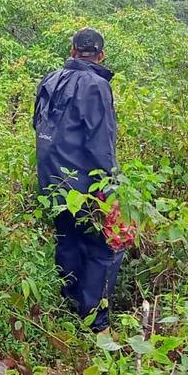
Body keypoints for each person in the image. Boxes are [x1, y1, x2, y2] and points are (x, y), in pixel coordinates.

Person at [33, 27, 130, 332]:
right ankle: (94, 322)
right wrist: (111, 190)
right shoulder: (97, 86)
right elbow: (101, 144)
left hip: (52, 181)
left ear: (73, 51)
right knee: (106, 247)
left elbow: (36, 125)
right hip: (85, 186)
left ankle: (68, 304)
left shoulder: (49, 79)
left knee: (68, 239)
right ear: (101, 55)